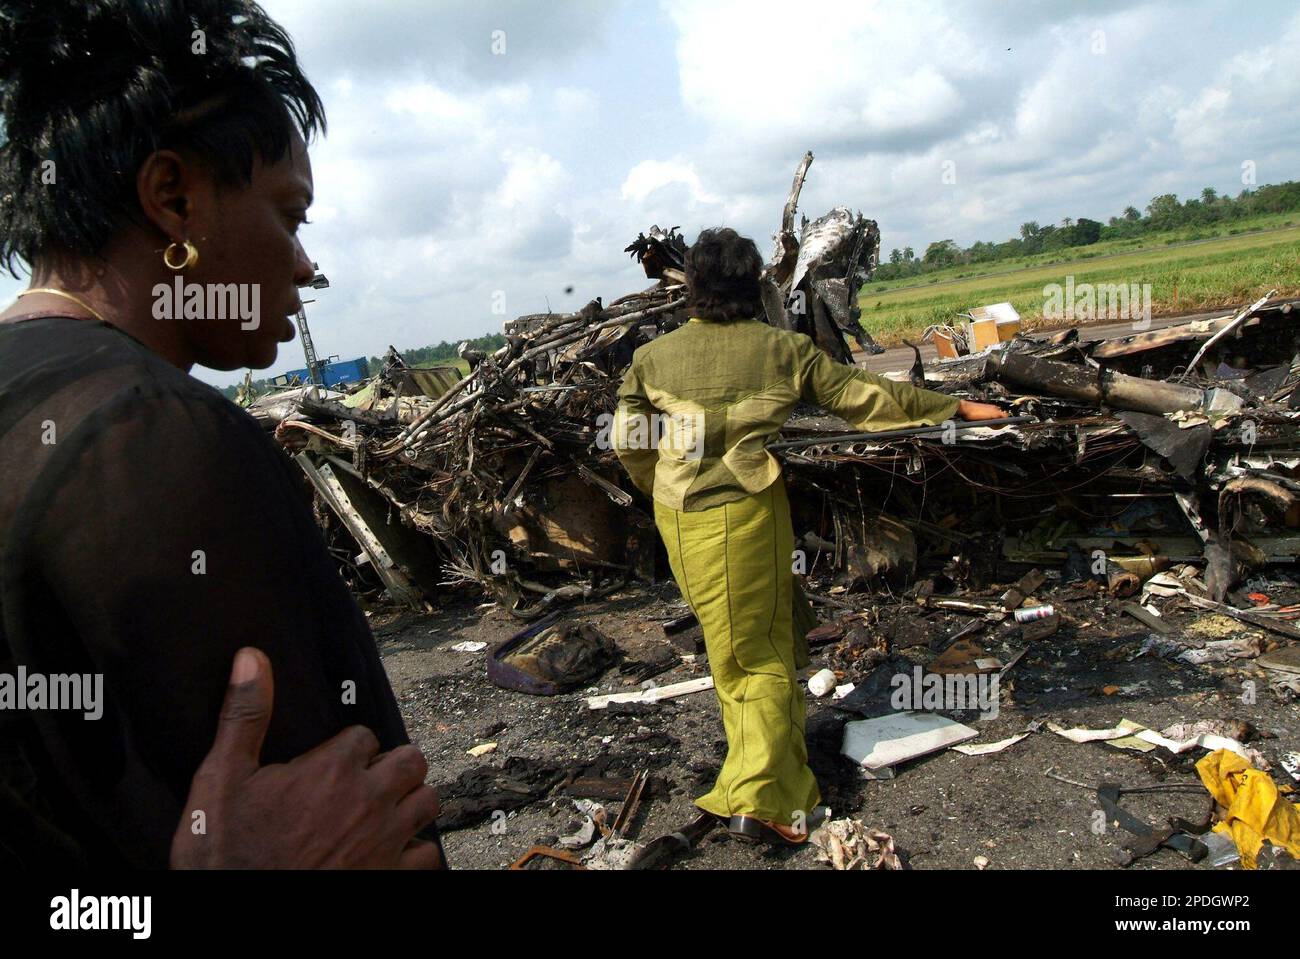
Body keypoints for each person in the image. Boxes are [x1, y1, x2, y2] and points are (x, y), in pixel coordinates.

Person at [0, 0, 441, 868]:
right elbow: (356, 820)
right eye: (290, 213)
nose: (307, 265)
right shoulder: (154, 439)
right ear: (172, 198)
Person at [612, 227, 1005, 845]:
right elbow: (864, 397)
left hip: (678, 520)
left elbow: (627, 444)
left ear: (690, 287)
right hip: (744, 517)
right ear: (754, 285)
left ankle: (766, 765)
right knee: (756, 656)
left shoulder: (650, 360)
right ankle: (764, 802)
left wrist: (664, 489)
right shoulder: (781, 350)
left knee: (746, 642)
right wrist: (951, 408)